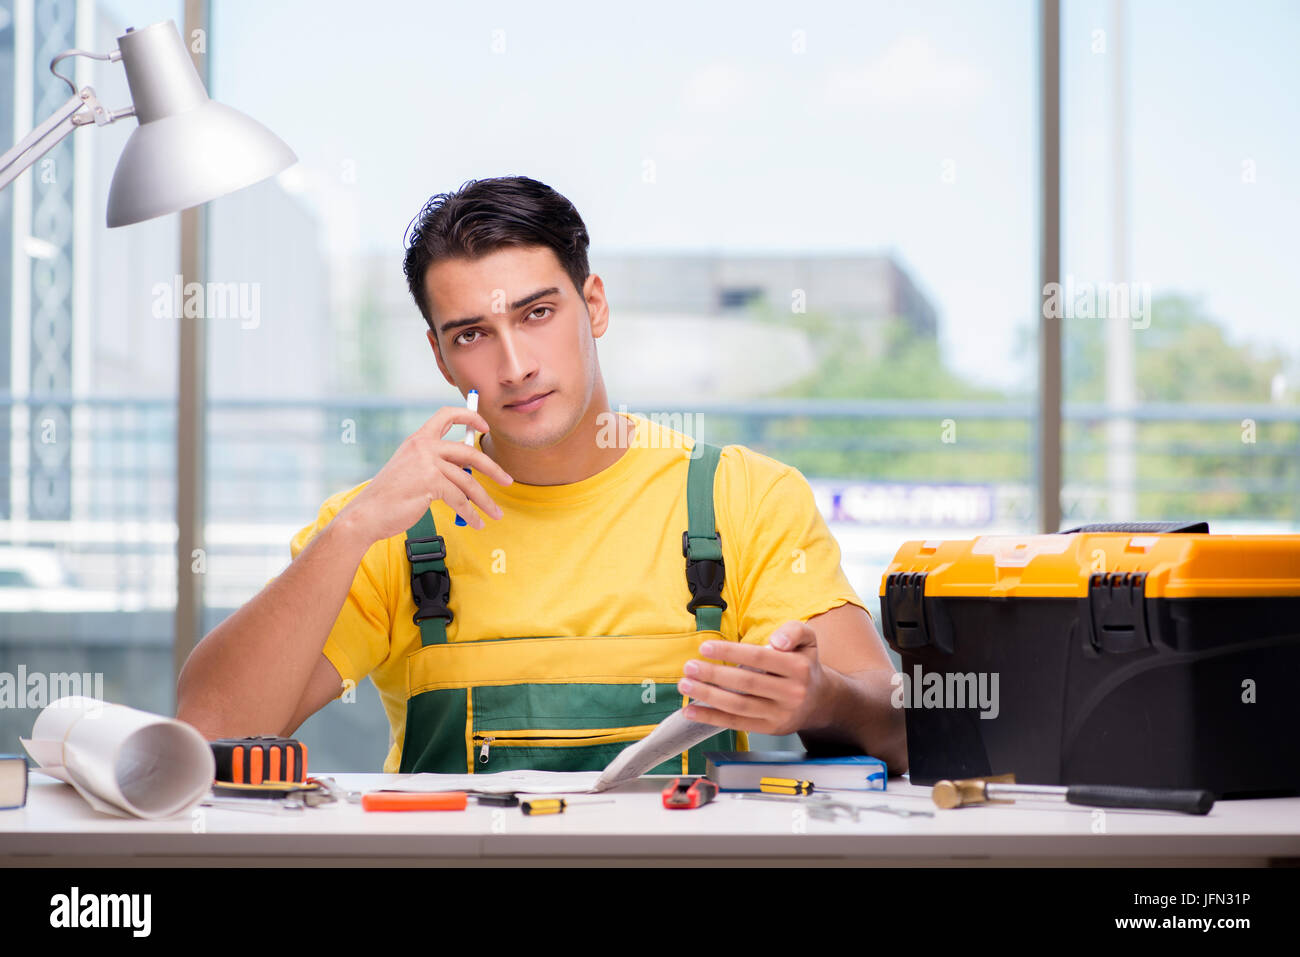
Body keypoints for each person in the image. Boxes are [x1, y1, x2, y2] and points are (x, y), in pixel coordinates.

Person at [176, 175, 906, 776]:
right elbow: (206, 733)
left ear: (593, 306)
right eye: (472, 335)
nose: (515, 364)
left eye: (536, 314)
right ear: (440, 357)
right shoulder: (392, 524)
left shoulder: (741, 499)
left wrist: (819, 698)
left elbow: (900, 729)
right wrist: (353, 529)